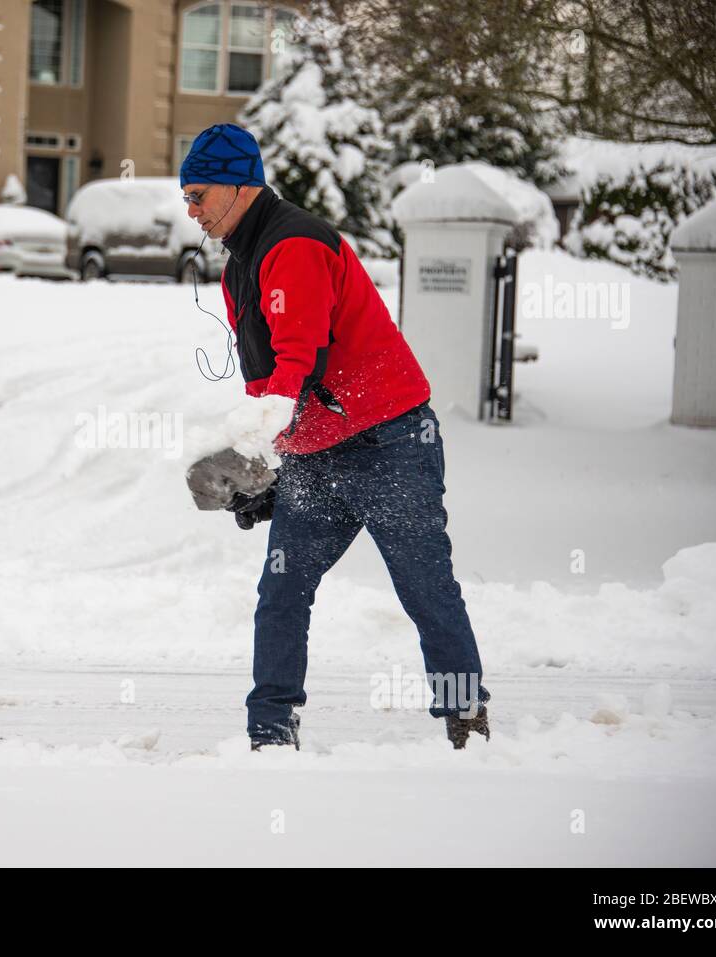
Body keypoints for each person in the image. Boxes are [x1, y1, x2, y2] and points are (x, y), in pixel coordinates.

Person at [180, 123, 491, 752]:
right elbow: (266, 380)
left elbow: (298, 359)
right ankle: (270, 734)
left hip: (389, 440)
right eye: (187, 197)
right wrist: (269, 466)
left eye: (199, 195)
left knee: (425, 586)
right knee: (282, 590)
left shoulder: (295, 244)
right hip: (315, 455)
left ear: (240, 186)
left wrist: (261, 443)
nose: (192, 211)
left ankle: (467, 724)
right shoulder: (240, 266)